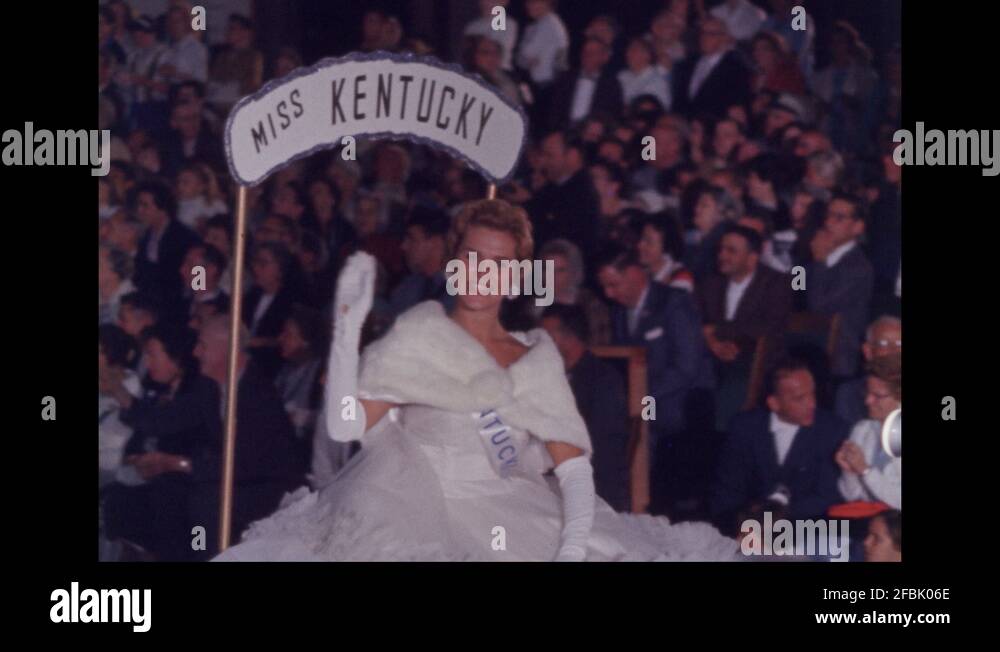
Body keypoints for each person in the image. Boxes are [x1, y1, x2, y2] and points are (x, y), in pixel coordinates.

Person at [215, 199, 739, 561]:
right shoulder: (416, 334)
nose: (483, 273)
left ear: (514, 277)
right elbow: (348, 425)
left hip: (513, 512)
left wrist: (571, 549)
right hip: (404, 508)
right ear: (453, 263)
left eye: (499, 263)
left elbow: (574, 471)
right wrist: (346, 330)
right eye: (472, 257)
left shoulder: (534, 357)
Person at [709, 359, 849, 536]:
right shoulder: (745, 427)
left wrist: (772, 522)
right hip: (749, 529)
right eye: (800, 398)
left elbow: (826, 497)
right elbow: (728, 491)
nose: (812, 404)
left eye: (813, 394)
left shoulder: (833, 429)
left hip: (806, 530)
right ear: (774, 403)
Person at [541, 304, 630, 513]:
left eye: (546, 334)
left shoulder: (602, 379)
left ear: (567, 336)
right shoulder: (556, 375)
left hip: (593, 485)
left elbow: (603, 440)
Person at [835, 354, 901, 509]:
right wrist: (849, 470)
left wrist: (865, 471)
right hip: (869, 520)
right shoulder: (862, 429)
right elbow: (851, 495)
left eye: (878, 396)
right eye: (868, 393)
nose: (868, 401)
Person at [834, 316, 901, 425]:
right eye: (884, 344)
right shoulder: (850, 395)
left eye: (900, 344)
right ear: (868, 351)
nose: (894, 351)